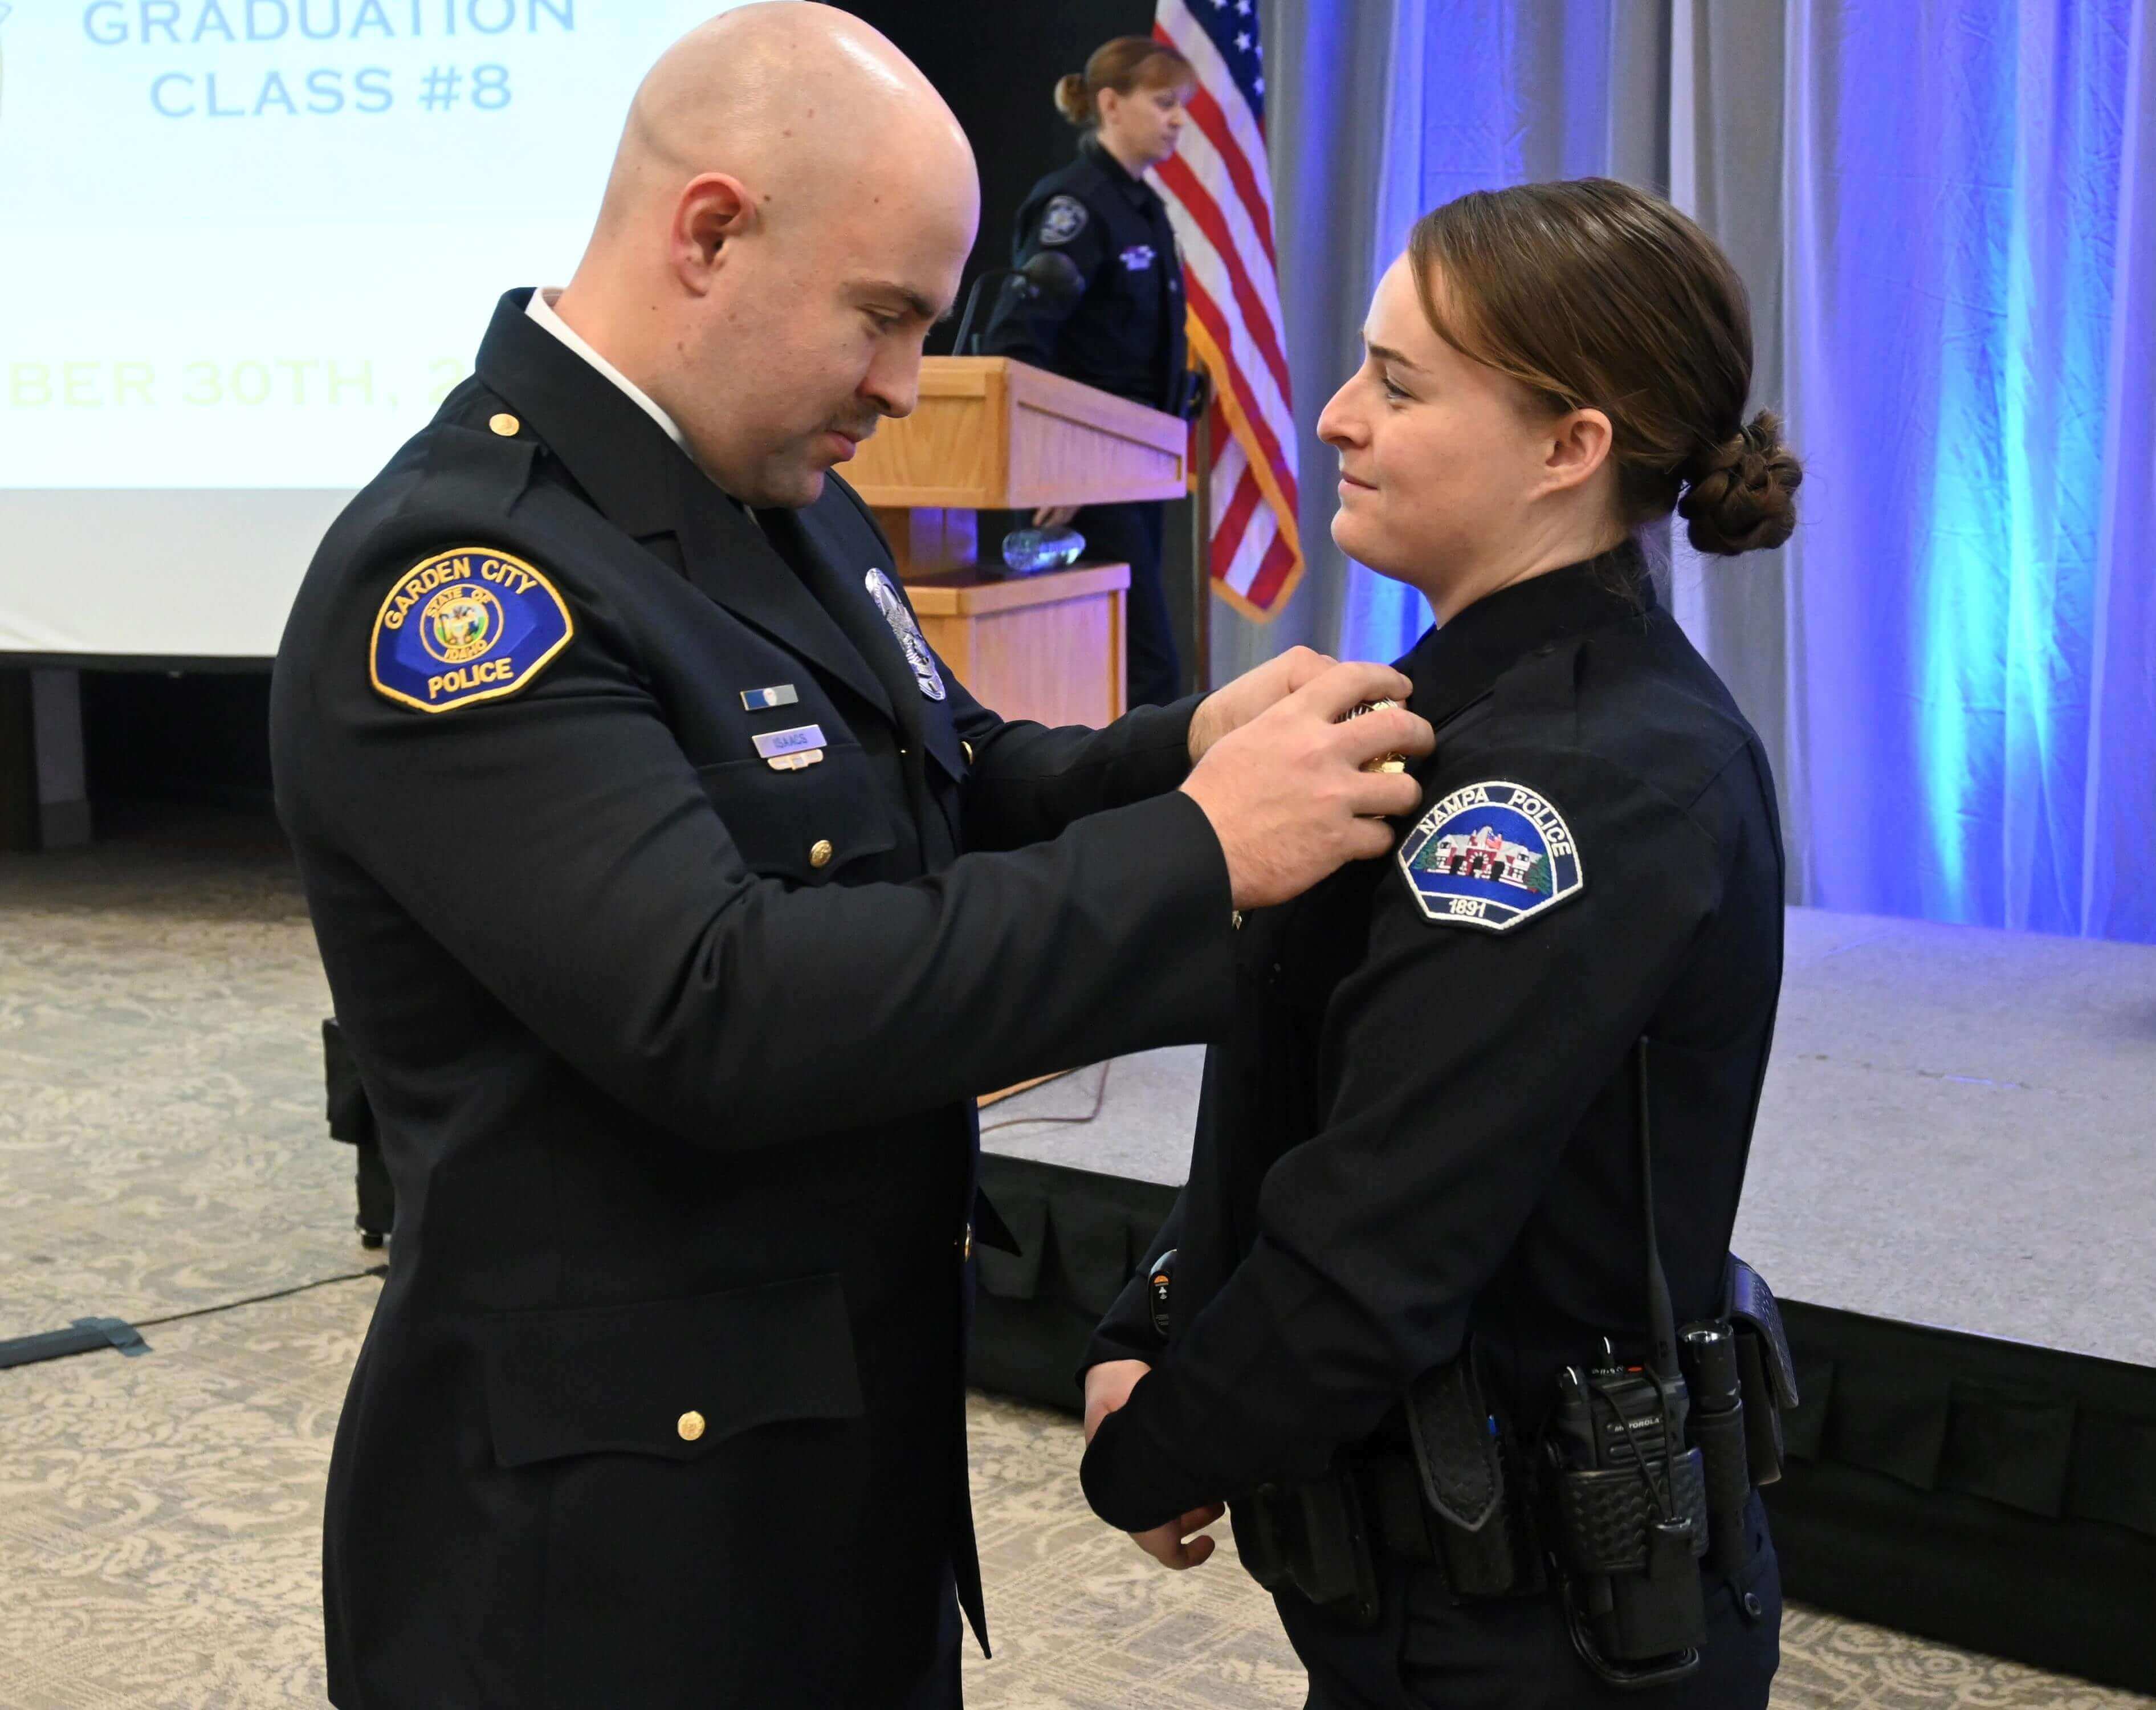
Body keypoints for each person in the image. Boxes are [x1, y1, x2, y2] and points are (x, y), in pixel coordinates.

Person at [269, 7, 1433, 1707]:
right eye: (881, 318)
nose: (903, 385)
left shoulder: (767, 488)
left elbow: (940, 778)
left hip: (823, 1436)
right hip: (608, 1541)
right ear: (710, 234)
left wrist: (1176, 749)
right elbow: (716, 1001)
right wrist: (1196, 855)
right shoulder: (469, 581)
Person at [1077, 177, 1803, 1709]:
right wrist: (1157, 1310)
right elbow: (1304, 1083)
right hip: (1426, 1597)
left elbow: (1382, 1239)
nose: (1336, 416)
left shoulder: (1581, 778)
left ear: (1570, 446)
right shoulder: (1449, 711)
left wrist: (1152, 1454)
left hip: (1541, 1627)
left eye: (1398, 385)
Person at [980, 36, 1196, 707]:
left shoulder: (1145, 208)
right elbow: (1019, 341)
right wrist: (1057, 462)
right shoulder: (1074, 207)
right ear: (1110, 103)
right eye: (1163, 103)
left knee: (1137, 662)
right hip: (1082, 474)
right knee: (1139, 667)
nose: (1178, 120)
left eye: (1181, 105)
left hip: (1132, 464)